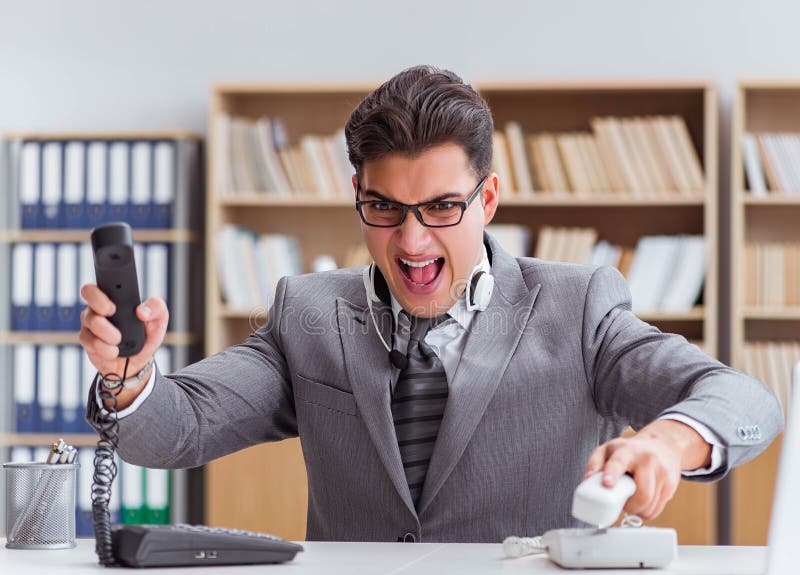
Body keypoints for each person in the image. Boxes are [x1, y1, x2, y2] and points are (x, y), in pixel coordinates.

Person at [80, 65, 782, 543]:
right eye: (384, 206)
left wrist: (665, 440)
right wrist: (131, 376)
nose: (412, 240)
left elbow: (742, 397)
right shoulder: (308, 312)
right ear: (357, 195)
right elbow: (178, 428)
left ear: (490, 199)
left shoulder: (577, 306)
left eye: (443, 206)